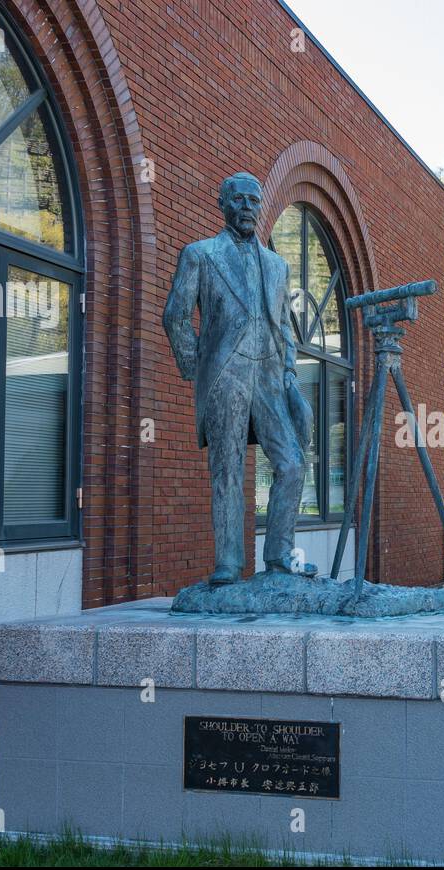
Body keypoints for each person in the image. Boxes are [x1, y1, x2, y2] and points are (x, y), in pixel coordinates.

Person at [162, 172, 315, 586]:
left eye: (254, 200)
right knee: (227, 467)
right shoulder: (200, 254)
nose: (248, 207)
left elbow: (284, 326)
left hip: (268, 375)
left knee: (293, 463)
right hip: (224, 375)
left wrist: (288, 372)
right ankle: (229, 562)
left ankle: (280, 556)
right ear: (223, 203)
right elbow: (175, 316)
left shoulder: (277, 264)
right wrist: (198, 371)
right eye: (240, 199)